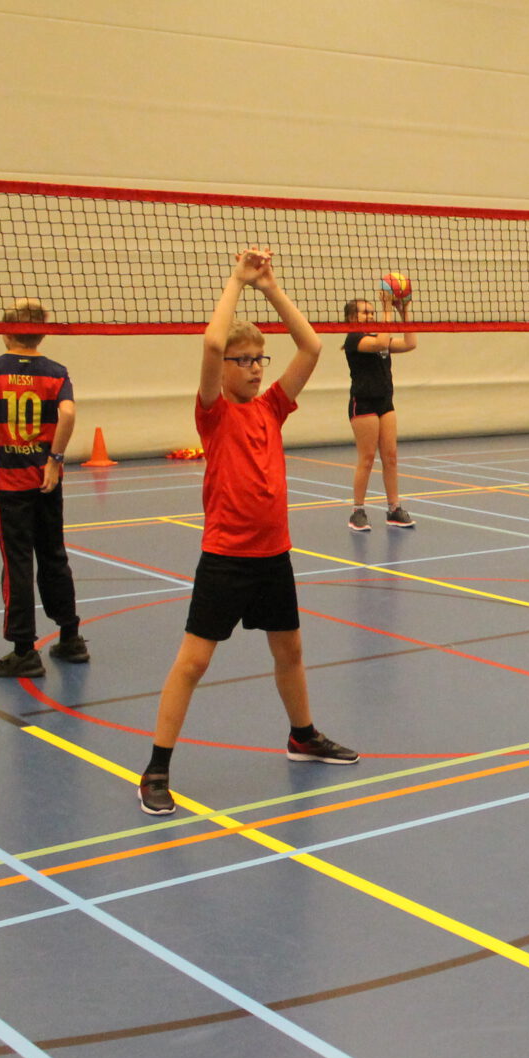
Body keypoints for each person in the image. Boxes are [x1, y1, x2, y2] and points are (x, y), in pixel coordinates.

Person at [138, 248, 359, 816]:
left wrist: (272, 289)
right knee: (194, 662)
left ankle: (302, 735)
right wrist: (237, 282)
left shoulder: (272, 408)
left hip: (273, 556)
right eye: (246, 360)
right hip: (226, 558)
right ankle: (157, 767)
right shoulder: (214, 413)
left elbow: (311, 346)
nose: (256, 367)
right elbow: (212, 345)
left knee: (290, 650)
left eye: (260, 358)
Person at [0, 298, 87, 678]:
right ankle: (70, 638)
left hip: (10, 481)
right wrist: (55, 458)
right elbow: (68, 413)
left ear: (5, 332)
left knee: (17, 562)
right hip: (46, 481)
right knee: (54, 555)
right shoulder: (56, 372)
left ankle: (24, 651)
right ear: (41, 333)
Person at [342, 286, 419, 532]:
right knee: (366, 458)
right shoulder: (355, 340)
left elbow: (410, 343)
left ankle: (394, 509)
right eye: (365, 313)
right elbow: (382, 342)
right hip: (363, 403)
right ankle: (358, 511)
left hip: (385, 402)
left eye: (373, 312)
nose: (371, 316)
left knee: (391, 457)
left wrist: (404, 312)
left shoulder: (378, 338)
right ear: (352, 318)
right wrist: (388, 309)